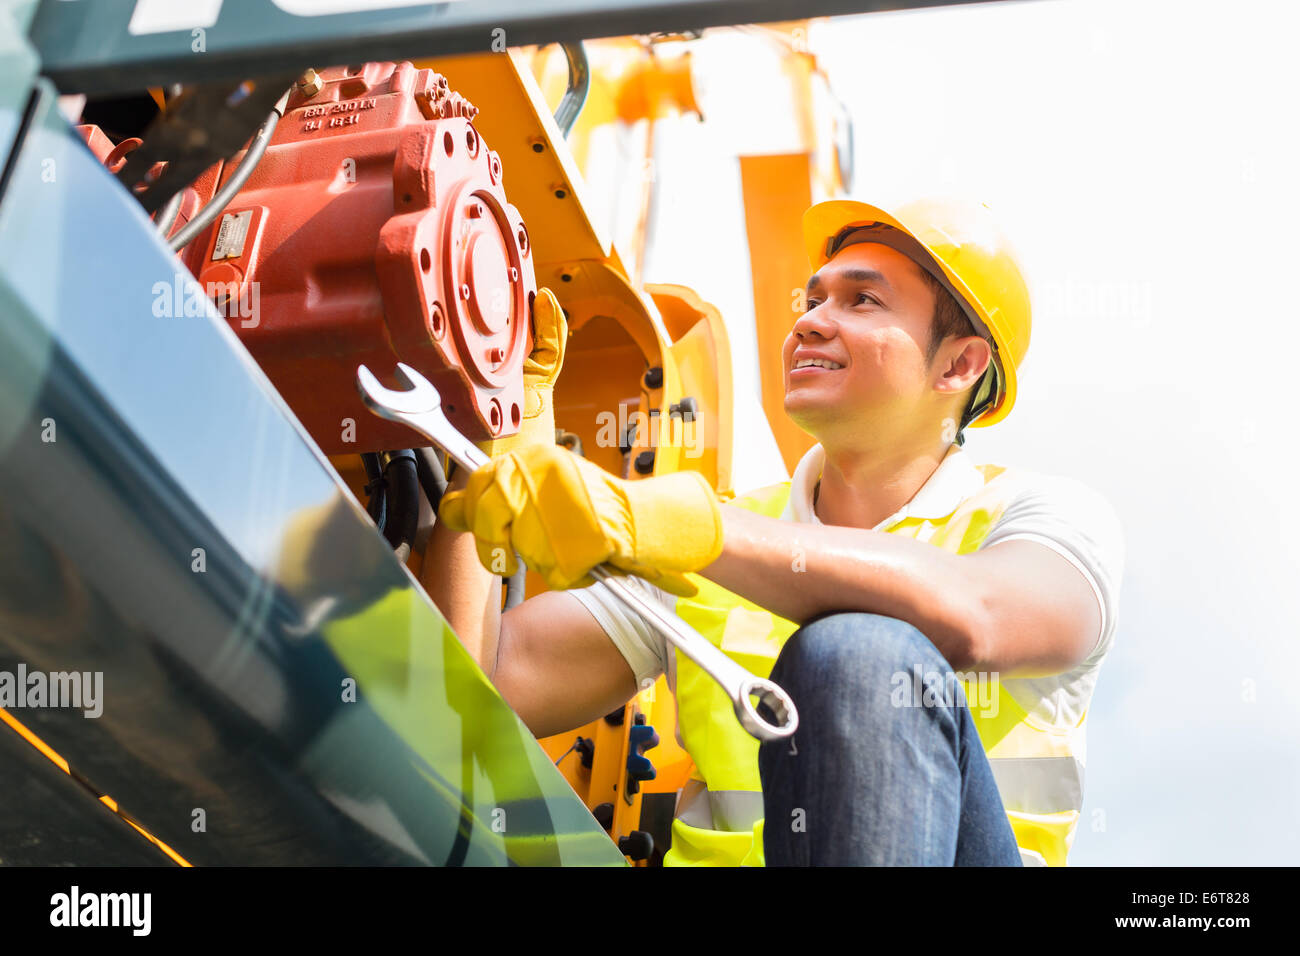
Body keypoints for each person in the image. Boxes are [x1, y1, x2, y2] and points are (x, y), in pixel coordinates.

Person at [423, 198, 1124, 866]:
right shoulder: (718, 536)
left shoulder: (1040, 517)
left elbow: (978, 616)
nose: (811, 322)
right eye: (815, 298)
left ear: (959, 364)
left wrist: (694, 531)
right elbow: (473, 690)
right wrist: (489, 426)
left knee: (859, 655)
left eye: (862, 300)